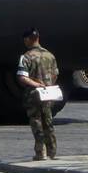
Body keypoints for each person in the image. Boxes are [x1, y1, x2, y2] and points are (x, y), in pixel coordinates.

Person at [17, 28, 60, 161]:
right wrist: (47, 84)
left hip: (33, 95)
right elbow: (55, 74)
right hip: (48, 94)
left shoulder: (26, 57)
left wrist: (36, 84)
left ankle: (41, 153)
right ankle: (52, 151)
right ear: (38, 38)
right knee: (48, 121)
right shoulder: (50, 55)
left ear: (27, 40)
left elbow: (22, 77)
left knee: (37, 123)